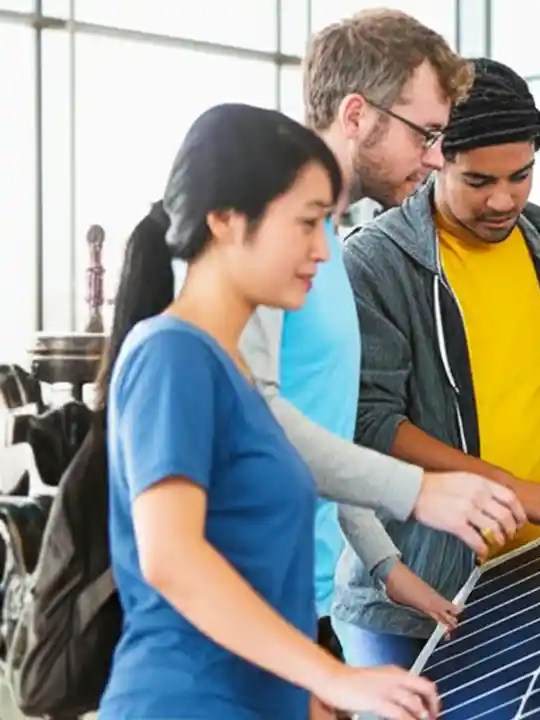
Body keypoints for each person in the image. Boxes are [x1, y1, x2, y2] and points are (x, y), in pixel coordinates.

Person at [98, 103, 439, 720]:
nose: (323, 252)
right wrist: (332, 675)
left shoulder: (236, 377)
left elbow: (248, 567)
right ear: (227, 220)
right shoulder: (172, 356)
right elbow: (172, 558)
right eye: (307, 224)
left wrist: (301, 687)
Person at [335, 57, 540, 668]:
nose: (504, 199)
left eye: (521, 175)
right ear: (436, 159)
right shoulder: (375, 266)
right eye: (478, 181)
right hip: (416, 602)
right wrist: (508, 489)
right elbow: (368, 424)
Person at [237, 8, 524, 651]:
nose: (431, 160)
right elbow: (258, 417)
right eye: (423, 134)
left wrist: (389, 567)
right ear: (357, 115)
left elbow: (326, 430)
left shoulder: (330, 245)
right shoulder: (271, 233)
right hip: (247, 607)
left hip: (306, 604)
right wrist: (421, 493)